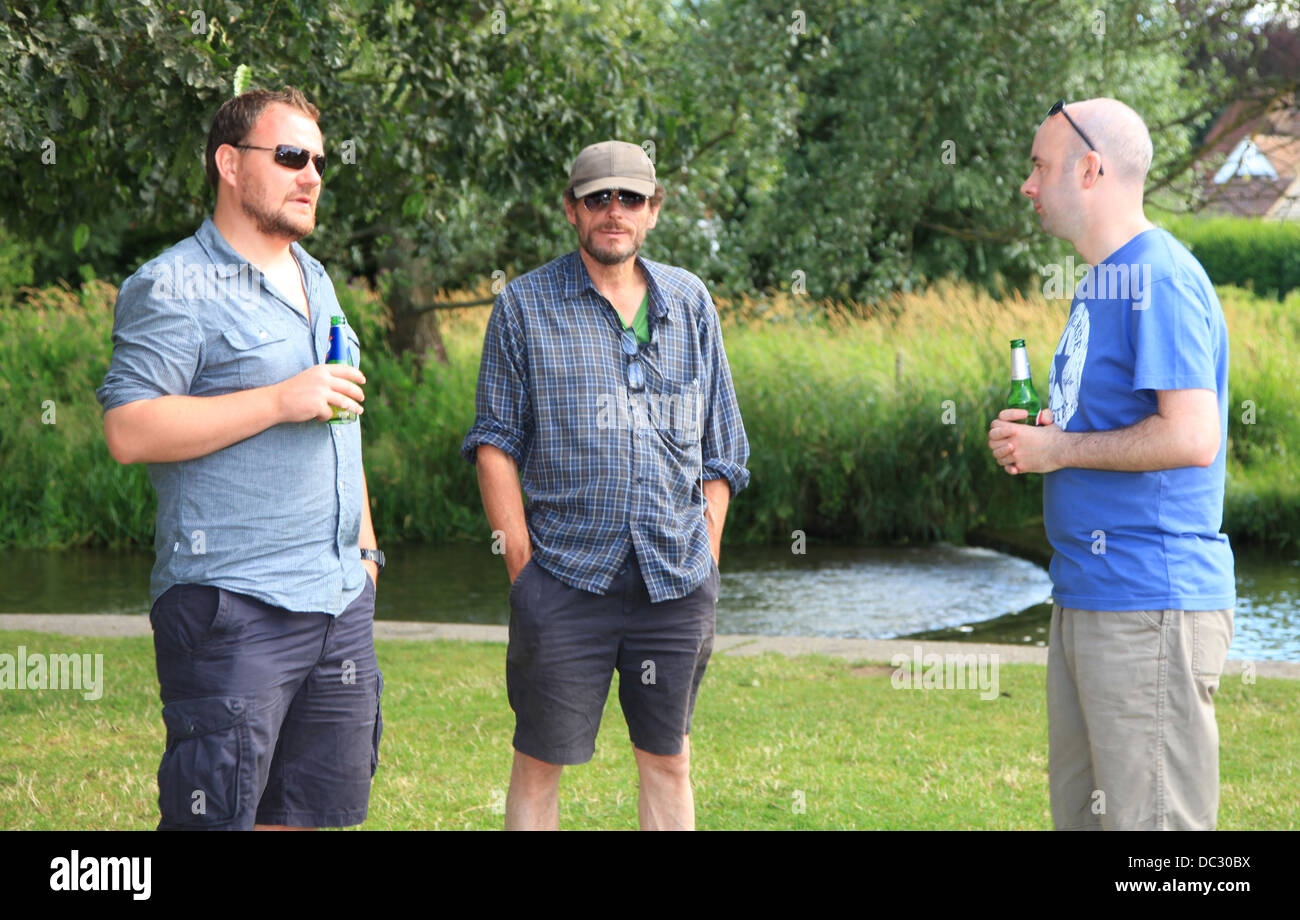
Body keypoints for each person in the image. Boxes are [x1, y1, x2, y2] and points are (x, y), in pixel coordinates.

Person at [96, 87, 386, 830]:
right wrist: (278, 400)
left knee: (312, 816)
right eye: (290, 156)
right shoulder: (172, 285)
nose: (311, 174)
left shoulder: (315, 277)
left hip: (338, 601)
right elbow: (129, 429)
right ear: (229, 163)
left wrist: (366, 558)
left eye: (318, 161)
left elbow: (339, 422)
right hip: (234, 608)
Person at [462, 140, 750, 830]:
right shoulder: (524, 305)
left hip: (675, 581)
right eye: (597, 198)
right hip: (562, 580)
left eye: (629, 198)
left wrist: (705, 550)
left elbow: (724, 451)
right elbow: (493, 446)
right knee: (539, 762)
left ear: (653, 210)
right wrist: (523, 570)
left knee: (668, 758)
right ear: (571, 210)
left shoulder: (690, 302)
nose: (612, 211)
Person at [989, 98, 1235, 830]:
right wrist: (1047, 432)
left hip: (1146, 601)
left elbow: (1193, 435)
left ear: (1090, 169)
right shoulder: (1103, 283)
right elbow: (1117, 425)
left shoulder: (1157, 276)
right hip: (1091, 598)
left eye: (1038, 166)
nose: (1027, 185)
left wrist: (1057, 449)